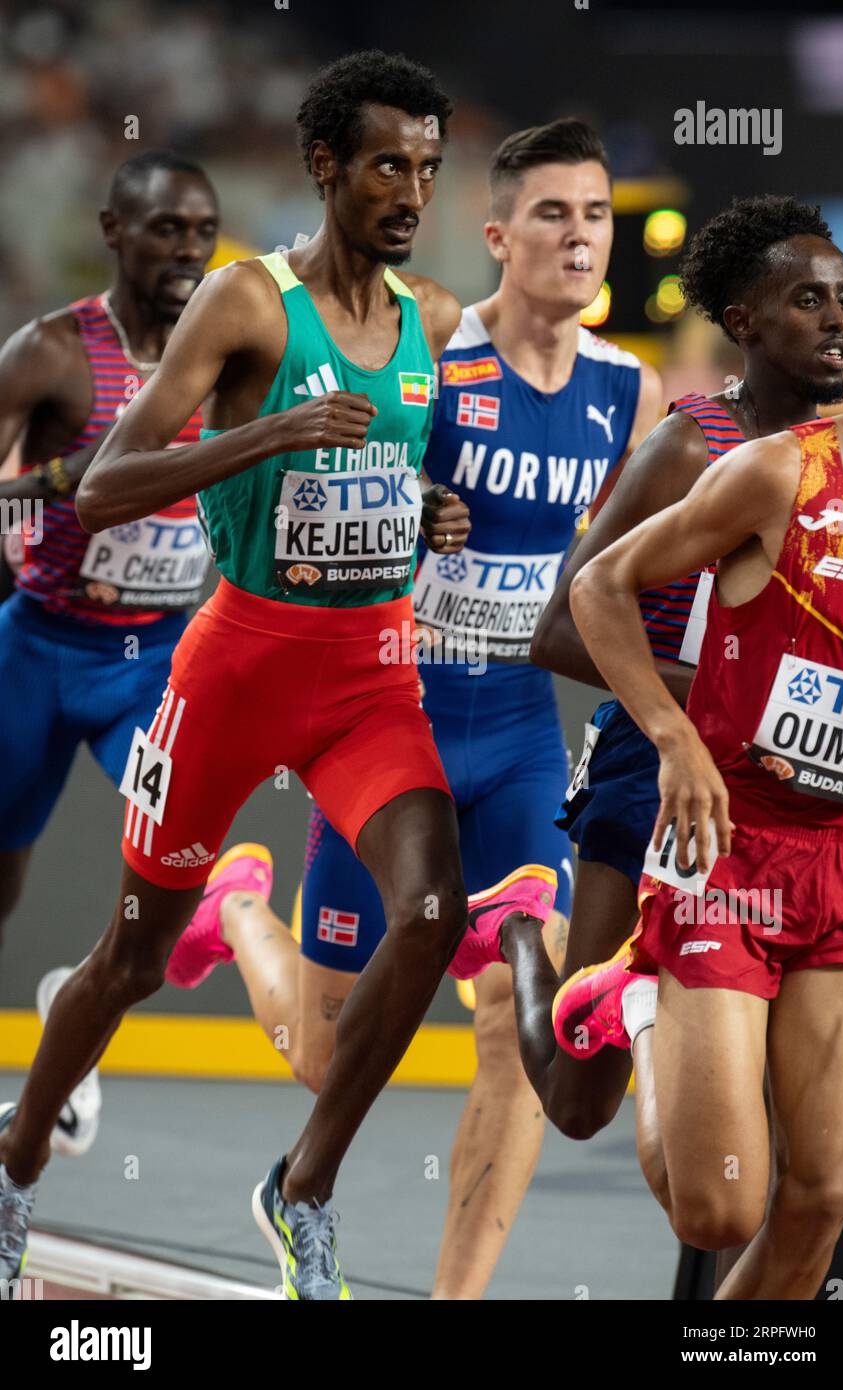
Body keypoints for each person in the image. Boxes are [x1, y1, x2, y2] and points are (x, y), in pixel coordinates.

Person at [0, 51, 555, 1302]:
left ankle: (301, 1184)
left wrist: (418, 508)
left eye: (423, 163)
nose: (409, 186)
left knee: (427, 912)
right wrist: (268, 432)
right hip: (237, 660)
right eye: (382, 164)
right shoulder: (250, 303)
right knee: (132, 959)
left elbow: (364, 485)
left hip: (368, 672)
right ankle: (20, 1156)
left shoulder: (424, 312)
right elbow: (99, 487)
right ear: (322, 166)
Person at [169, 116, 660, 1301]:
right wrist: (415, 498)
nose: (578, 236)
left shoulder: (627, 392)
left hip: (518, 743)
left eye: (595, 214)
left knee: (514, 1035)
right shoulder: (433, 349)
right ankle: (236, 907)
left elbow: (627, 572)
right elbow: (325, 485)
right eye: (551, 213)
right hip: (389, 721)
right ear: (497, 234)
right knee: (327, 1055)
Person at [498, 199, 843, 1189]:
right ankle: (525, 926)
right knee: (577, 1104)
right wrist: (726, 704)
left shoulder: (839, 465)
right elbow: (560, 624)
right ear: (741, 321)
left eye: (841, 300)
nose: (832, 320)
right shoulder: (692, 445)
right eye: (803, 300)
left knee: (791, 1118)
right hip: (651, 760)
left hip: (786, 798)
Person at [0, 149, 219, 1156]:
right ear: (113, 231)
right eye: (165, 229)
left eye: (201, 231)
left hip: (155, 663)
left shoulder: (234, 357)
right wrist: (57, 479)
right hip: (40, 654)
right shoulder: (48, 353)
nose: (186, 250)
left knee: (178, 862)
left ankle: (69, 1035)